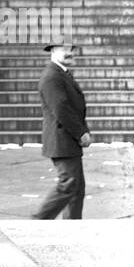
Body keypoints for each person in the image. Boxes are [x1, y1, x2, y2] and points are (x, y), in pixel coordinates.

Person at [33, 39, 90, 219]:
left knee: (76, 187)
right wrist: (80, 132)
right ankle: (38, 221)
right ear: (52, 51)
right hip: (62, 139)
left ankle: (73, 225)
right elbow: (61, 109)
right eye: (64, 49)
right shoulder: (52, 76)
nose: (69, 52)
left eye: (71, 48)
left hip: (66, 139)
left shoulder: (61, 73)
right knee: (69, 184)